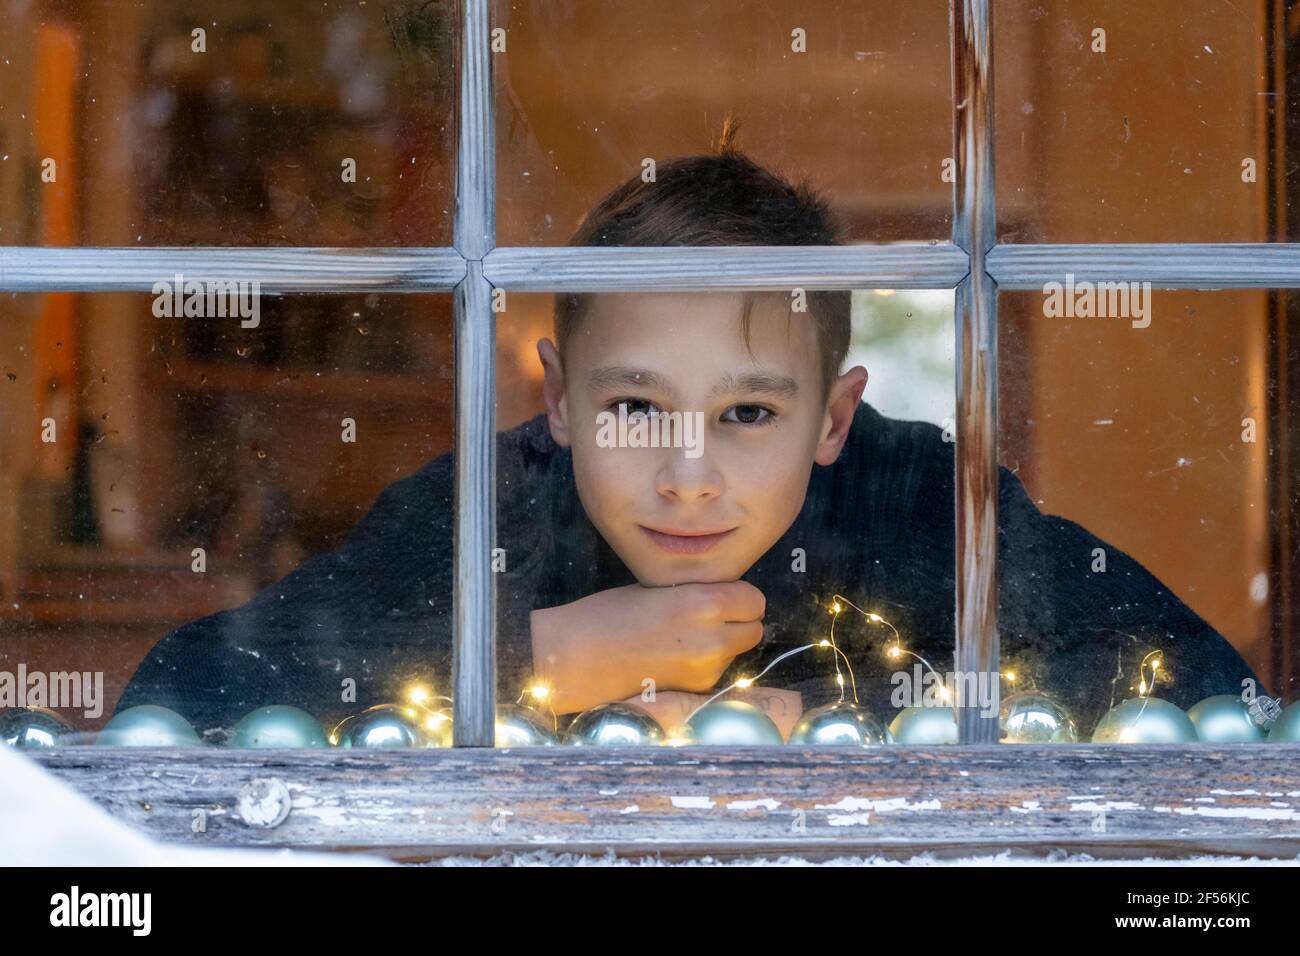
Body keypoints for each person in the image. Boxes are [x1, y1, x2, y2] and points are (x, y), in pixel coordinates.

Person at [117, 126, 1261, 740]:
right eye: (631, 406)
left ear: (835, 416)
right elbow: (181, 697)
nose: (688, 474)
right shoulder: (481, 510)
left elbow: (1210, 693)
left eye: (750, 412)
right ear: (560, 399)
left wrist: (823, 718)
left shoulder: (917, 498)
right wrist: (534, 658)